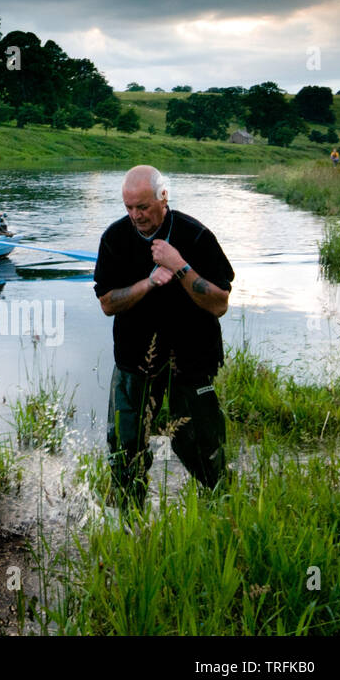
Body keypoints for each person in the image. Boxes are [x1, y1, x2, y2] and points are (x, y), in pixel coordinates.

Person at [93, 165, 234, 507]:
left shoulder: (196, 235)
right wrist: (148, 282)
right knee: (126, 453)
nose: (135, 215)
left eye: (142, 207)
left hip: (191, 361)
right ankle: (130, 528)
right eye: (128, 207)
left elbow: (219, 304)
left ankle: (223, 514)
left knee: (203, 448)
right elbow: (108, 303)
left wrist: (180, 266)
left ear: (163, 197)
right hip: (134, 362)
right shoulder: (115, 238)